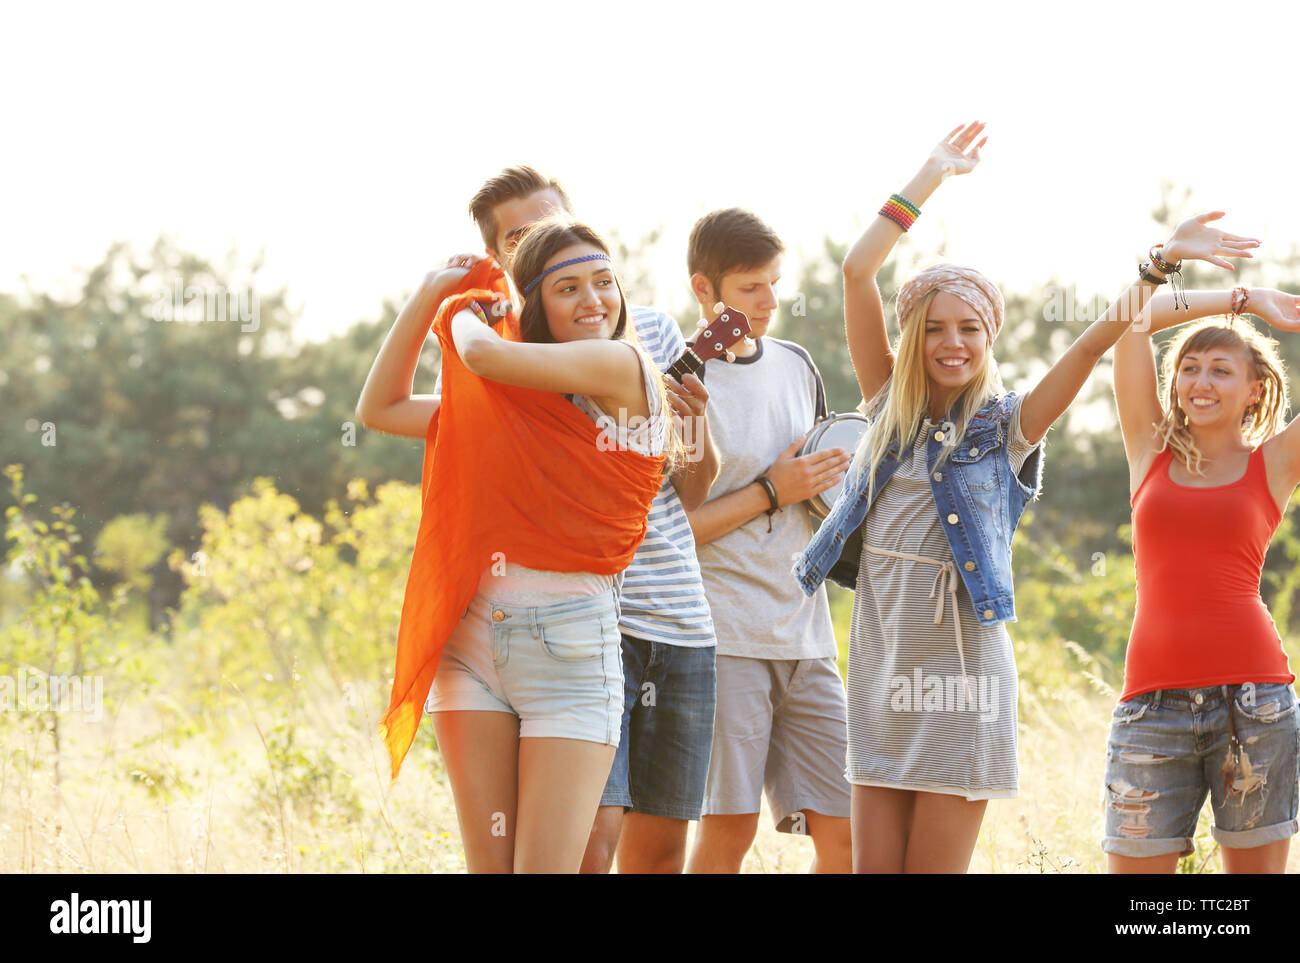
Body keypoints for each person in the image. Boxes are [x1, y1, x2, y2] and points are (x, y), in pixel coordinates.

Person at [793, 120, 1260, 873]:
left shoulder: (1007, 428)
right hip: (882, 669)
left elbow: (1087, 345)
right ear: (911, 337)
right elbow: (856, 271)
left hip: (963, 673)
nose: (952, 342)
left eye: (970, 327)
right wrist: (929, 176)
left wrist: (1158, 262)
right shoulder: (885, 407)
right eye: (935, 328)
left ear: (990, 335)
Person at [357, 166, 723, 874]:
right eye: (563, 282)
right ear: (521, 278)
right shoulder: (508, 401)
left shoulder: (628, 360)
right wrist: (432, 290)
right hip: (473, 636)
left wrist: (457, 307)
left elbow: (486, 352)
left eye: (602, 280)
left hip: (577, 638)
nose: (592, 296)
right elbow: (382, 410)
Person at [1104, 272, 1300, 873]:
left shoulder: (1272, 461)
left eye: (1221, 369)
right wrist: (1243, 300)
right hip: (1150, 708)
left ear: (1254, 389)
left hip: (1256, 702)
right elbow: (1129, 318)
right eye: (1190, 367)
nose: (1201, 382)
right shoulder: (1148, 449)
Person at [681, 207, 855, 874]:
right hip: (725, 635)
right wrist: (771, 490)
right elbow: (673, 530)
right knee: (729, 828)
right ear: (705, 290)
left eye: (775, 284)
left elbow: (816, 486)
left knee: (846, 830)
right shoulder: (682, 381)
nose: (769, 302)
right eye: (751, 287)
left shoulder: (796, 364)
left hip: (807, 634)